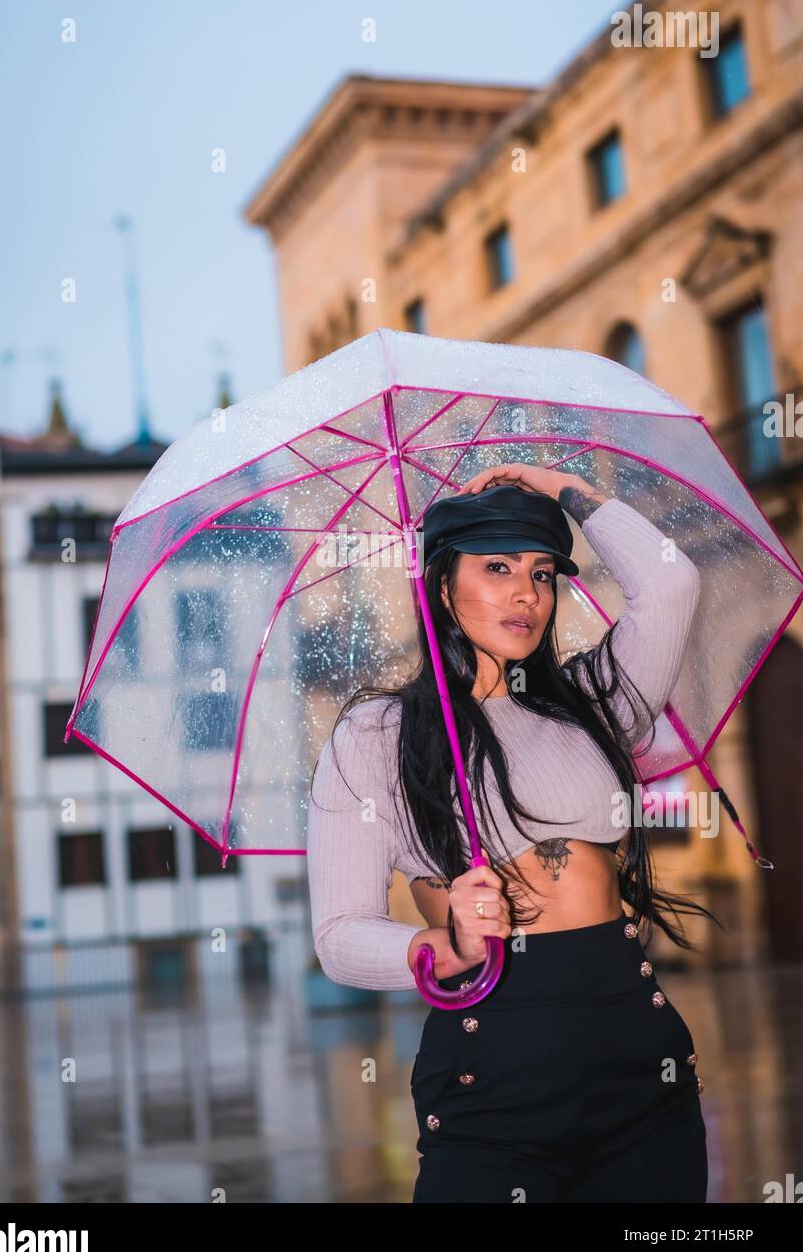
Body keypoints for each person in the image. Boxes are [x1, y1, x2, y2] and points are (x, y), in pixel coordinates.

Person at [307, 462, 718, 1204]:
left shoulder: (597, 702)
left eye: (541, 573)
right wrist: (441, 947)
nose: (526, 592)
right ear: (440, 584)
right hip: (490, 1079)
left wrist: (557, 484)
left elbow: (671, 585)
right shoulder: (378, 734)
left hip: (637, 1063)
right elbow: (338, 935)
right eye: (496, 568)